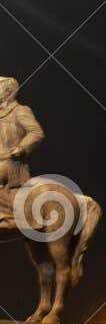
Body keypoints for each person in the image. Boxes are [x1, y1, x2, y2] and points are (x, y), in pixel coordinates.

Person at [0, 76, 44, 230]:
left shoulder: (20, 111)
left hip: (10, 162)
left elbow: (36, 132)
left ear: (8, 91)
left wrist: (21, 148)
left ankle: (9, 215)